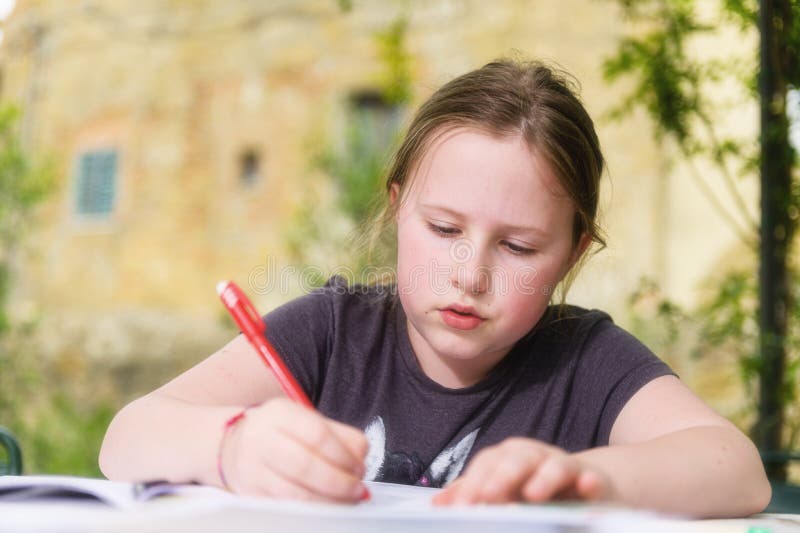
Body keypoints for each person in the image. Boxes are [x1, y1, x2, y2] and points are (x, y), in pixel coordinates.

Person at [99, 58, 771, 517]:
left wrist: (588, 478)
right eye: (444, 227)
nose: (469, 273)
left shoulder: (583, 359)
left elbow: (738, 470)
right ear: (398, 210)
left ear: (571, 254)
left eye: (518, 246)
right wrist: (233, 444)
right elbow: (126, 437)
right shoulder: (335, 330)